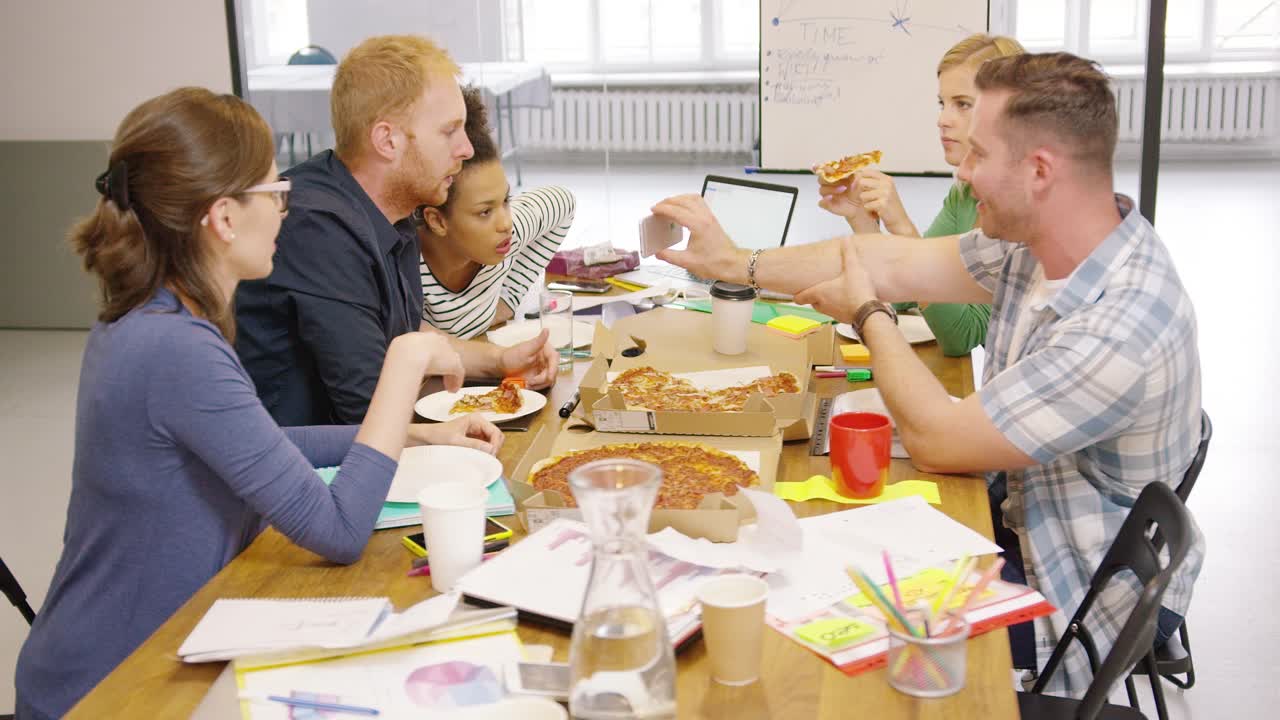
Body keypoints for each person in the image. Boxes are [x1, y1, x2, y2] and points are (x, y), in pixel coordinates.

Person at [653, 53, 1204, 695]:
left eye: (977, 156)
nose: (963, 175)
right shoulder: (1050, 235)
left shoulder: (1119, 328)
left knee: (794, 617)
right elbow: (882, 258)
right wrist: (733, 261)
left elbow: (938, 440)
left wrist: (870, 315)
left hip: (1075, 595)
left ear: (1040, 171)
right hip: (1027, 519)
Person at [13, 87, 502, 720]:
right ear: (223, 218)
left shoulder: (160, 318)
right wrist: (404, 363)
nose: (284, 210)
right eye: (274, 195)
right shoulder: (173, 347)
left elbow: (257, 447)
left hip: (162, 648)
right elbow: (340, 530)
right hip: (112, 689)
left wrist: (416, 438)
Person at [234, 35, 558, 427]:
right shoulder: (317, 226)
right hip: (314, 469)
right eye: (448, 131)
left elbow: (399, 339)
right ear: (387, 140)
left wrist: (500, 361)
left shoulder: (393, 209)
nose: (467, 149)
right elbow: (372, 410)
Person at [817, 33, 1024, 357]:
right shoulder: (964, 194)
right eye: (943, 104)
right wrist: (863, 218)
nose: (943, 120)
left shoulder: (1019, 210)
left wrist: (901, 226)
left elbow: (961, 335)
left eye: (962, 104)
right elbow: (903, 292)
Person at [413, 86, 575, 338]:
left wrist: (507, 300)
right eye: (485, 212)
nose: (505, 223)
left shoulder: (503, 239)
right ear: (437, 220)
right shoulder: (405, 269)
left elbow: (563, 203)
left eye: (506, 200)